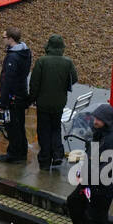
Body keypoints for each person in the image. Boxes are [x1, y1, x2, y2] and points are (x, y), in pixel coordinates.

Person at [66, 103, 113, 224]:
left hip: (102, 187)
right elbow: (92, 157)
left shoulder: (109, 140)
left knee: (99, 221)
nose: (94, 121)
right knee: (74, 203)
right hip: (91, 183)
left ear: (106, 121)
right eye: (95, 118)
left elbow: (102, 168)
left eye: (98, 119)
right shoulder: (101, 132)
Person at [26, 34, 79, 170]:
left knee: (44, 130)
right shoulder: (67, 62)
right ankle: (57, 155)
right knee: (55, 129)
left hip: (43, 103)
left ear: (48, 46)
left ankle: (44, 160)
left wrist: (30, 99)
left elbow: (34, 84)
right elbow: (74, 79)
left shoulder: (41, 62)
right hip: (59, 103)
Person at [0, 29, 31, 163]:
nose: (3, 39)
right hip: (21, 94)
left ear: (11, 39)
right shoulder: (25, 52)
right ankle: (22, 152)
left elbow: (8, 81)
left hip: (14, 97)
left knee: (12, 127)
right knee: (19, 125)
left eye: (4, 37)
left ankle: (14, 154)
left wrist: (2, 102)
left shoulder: (13, 57)